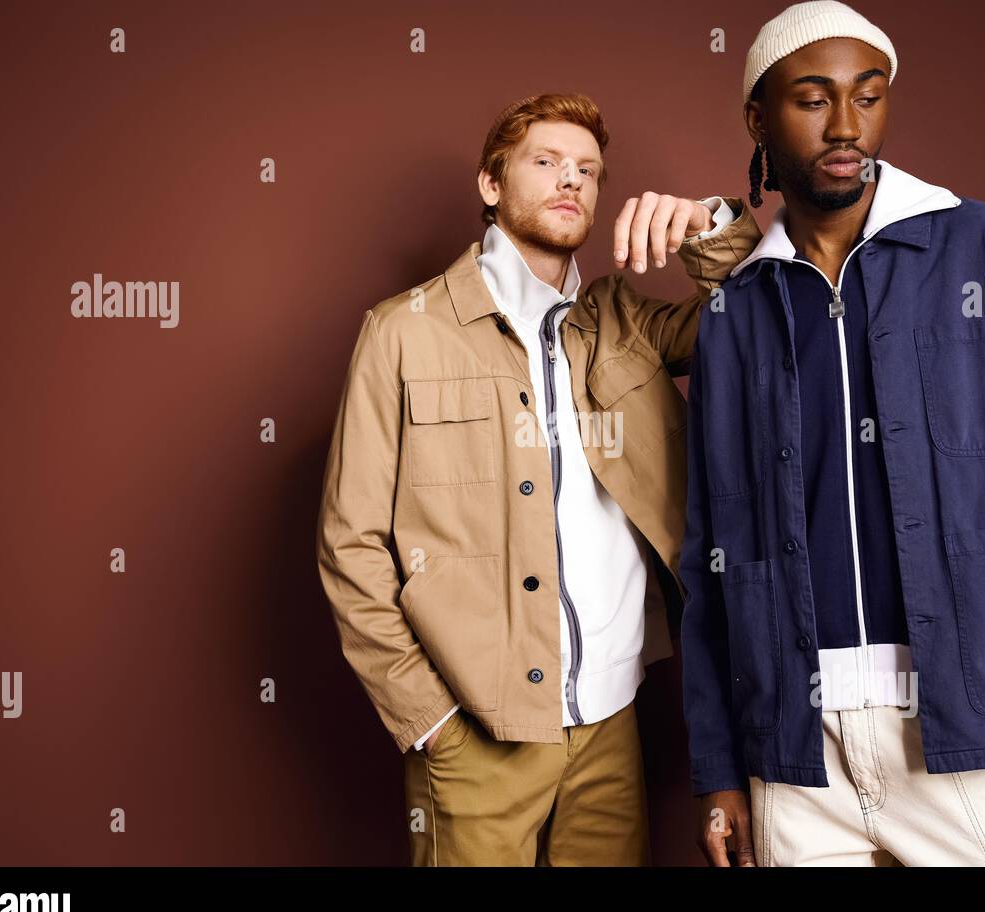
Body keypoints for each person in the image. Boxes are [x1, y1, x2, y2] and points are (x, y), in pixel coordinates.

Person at [680, 1, 985, 866]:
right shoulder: (736, 309)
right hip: (795, 756)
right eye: (812, 98)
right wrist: (721, 766)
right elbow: (712, 548)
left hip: (974, 740)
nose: (845, 125)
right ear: (758, 117)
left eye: (868, 96)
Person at [316, 92, 761, 865]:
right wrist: (431, 722)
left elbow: (753, 326)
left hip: (611, 724)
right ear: (491, 185)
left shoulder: (621, 318)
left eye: (588, 170)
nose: (572, 182)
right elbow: (349, 546)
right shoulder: (402, 332)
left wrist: (709, 228)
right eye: (546, 162)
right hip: (476, 738)